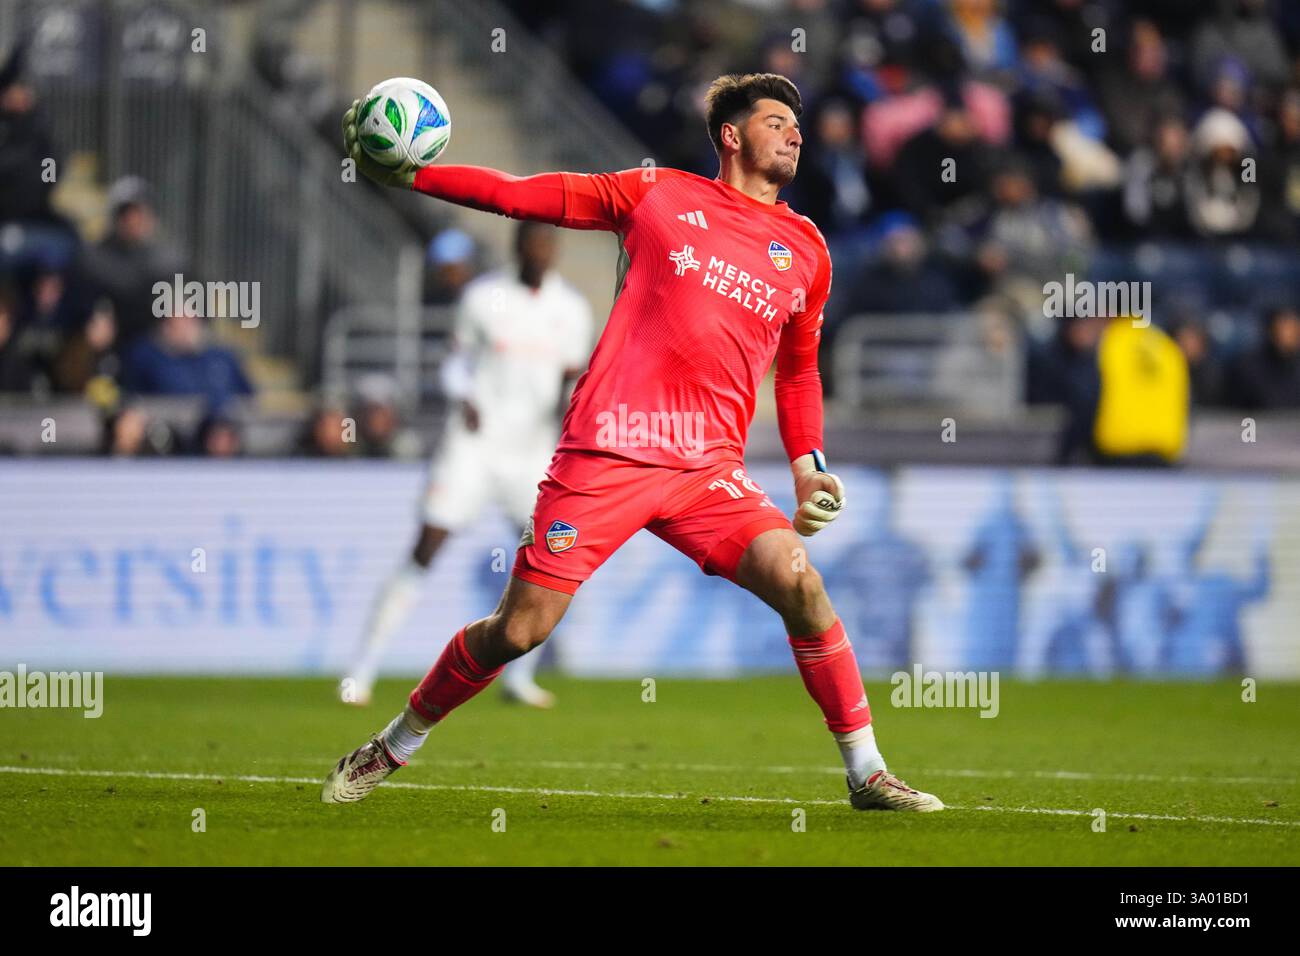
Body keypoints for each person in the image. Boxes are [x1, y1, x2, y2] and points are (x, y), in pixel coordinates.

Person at [321, 72, 945, 812]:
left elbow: (800, 373)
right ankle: (394, 744)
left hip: (707, 469)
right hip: (609, 451)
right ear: (732, 136)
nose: (796, 133)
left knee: (799, 579)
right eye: (777, 121)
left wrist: (809, 470)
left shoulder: (806, 250)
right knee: (520, 631)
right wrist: (415, 174)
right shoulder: (658, 196)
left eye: (798, 125)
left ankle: (867, 771)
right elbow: (520, 195)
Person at [342, 220, 592, 709]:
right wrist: (465, 396)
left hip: (532, 455)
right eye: (532, 242)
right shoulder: (484, 298)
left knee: (545, 561)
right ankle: (361, 671)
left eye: (548, 243)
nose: (541, 250)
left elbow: (570, 380)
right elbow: (455, 362)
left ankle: (518, 681)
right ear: (518, 247)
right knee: (427, 546)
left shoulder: (572, 310)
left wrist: (571, 429)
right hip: (474, 445)